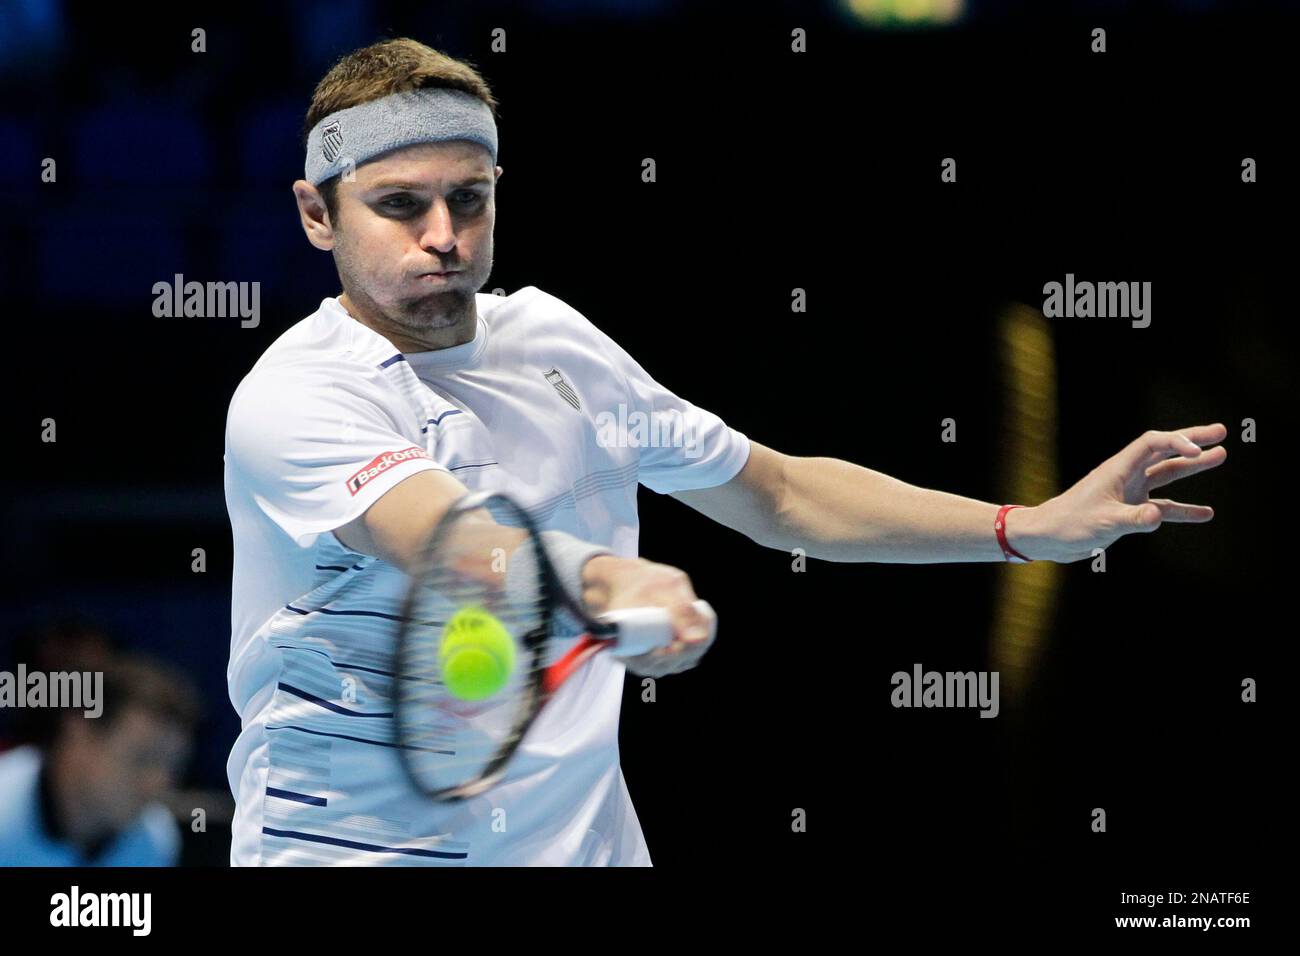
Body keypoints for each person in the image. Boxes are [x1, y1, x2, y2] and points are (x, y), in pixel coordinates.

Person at [222, 37, 1227, 866]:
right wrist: (610, 576)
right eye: (400, 204)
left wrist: (1026, 526)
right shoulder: (297, 395)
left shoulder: (555, 344)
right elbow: (450, 540)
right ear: (318, 212)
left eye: (469, 197)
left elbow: (781, 493)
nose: (443, 234)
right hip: (347, 849)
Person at [0, 654, 197, 866]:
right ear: (78, 732)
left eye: (172, 767)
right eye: (143, 758)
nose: (158, 784)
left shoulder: (155, 841)